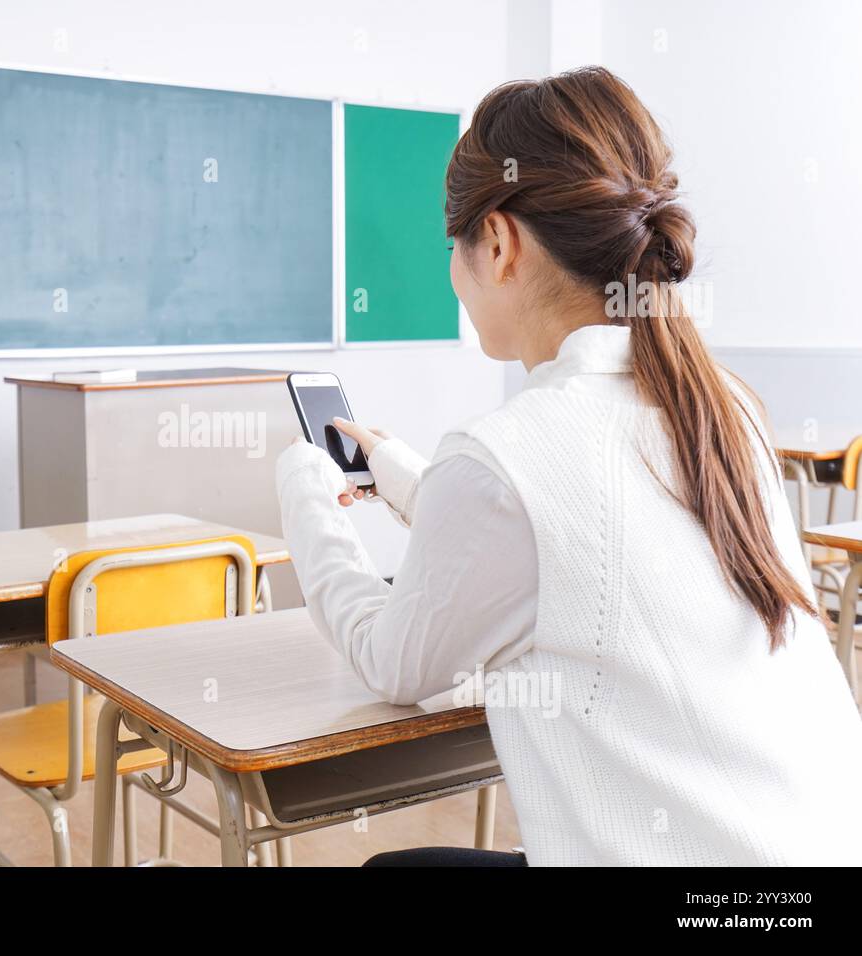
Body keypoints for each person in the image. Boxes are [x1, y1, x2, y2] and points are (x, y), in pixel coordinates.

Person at [275, 67, 862, 866]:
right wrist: (401, 470)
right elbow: (556, 525)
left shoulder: (507, 455)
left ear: (499, 242)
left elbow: (395, 663)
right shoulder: (723, 407)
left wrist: (306, 491)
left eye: (455, 244)